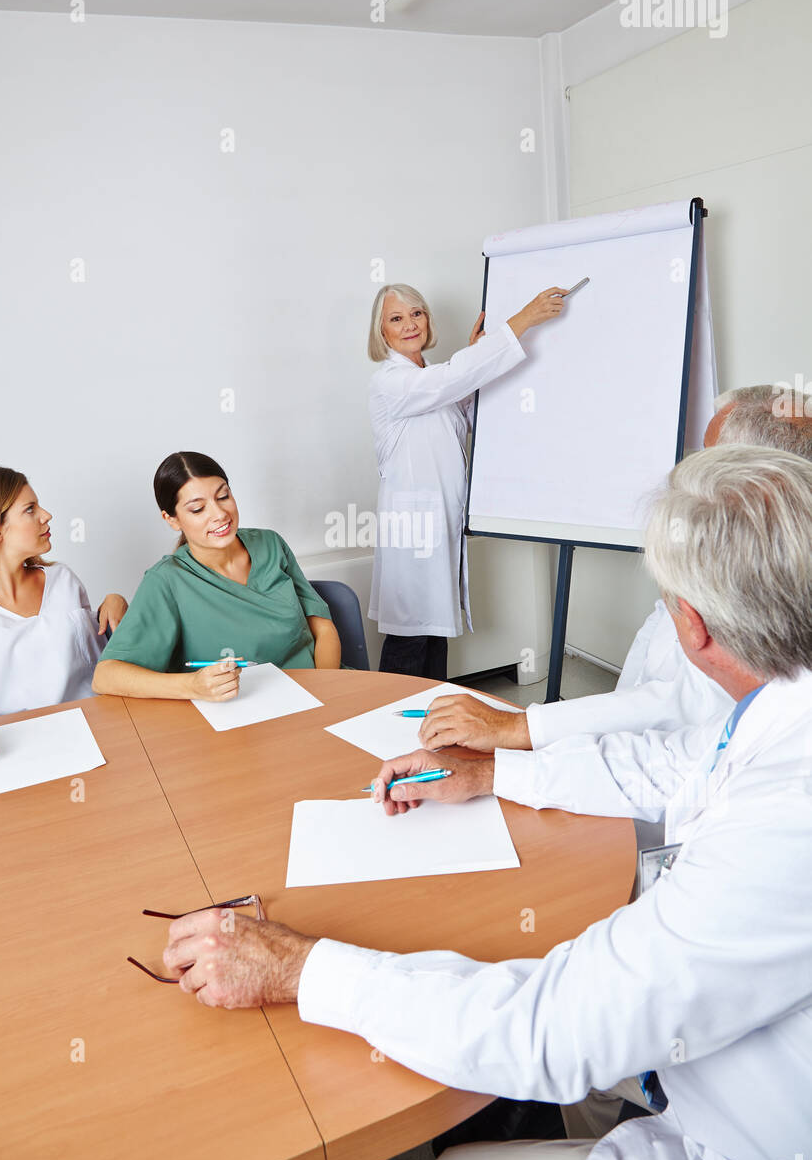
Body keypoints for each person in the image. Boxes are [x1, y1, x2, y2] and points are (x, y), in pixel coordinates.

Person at [160, 446, 812, 1160]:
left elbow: (558, 1027)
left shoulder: (784, 825)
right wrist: (491, 773)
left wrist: (298, 968)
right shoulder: (784, 711)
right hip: (726, 1069)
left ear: (689, 625)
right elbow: (669, 762)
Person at [417, 385, 812, 816]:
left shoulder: (766, 663)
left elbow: (678, 712)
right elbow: (670, 756)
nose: (685, 472)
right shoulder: (733, 593)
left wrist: (520, 730)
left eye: (705, 458)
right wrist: (493, 772)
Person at [367, 282, 567, 680]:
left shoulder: (432, 378)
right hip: (413, 531)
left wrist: (477, 360)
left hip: (439, 526)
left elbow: (464, 402)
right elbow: (452, 379)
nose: (409, 324)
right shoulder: (391, 381)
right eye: (396, 318)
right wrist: (524, 318)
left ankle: (433, 724)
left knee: (435, 633)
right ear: (382, 333)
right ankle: (389, 729)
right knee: (410, 637)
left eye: (417, 313)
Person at [93, 451, 340, 702]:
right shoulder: (167, 581)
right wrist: (192, 685)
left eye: (223, 496)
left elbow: (322, 627)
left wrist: (322, 693)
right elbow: (106, 676)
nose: (220, 513)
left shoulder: (271, 544)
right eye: (198, 509)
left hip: (317, 693)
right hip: (244, 717)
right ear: (172, 519)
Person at [0, 466, 127, 771]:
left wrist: (113, 604)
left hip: (103, 734)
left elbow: (93, 654)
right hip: (19, 757)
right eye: (30, 510)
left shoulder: (63, 580)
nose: (46, 515)